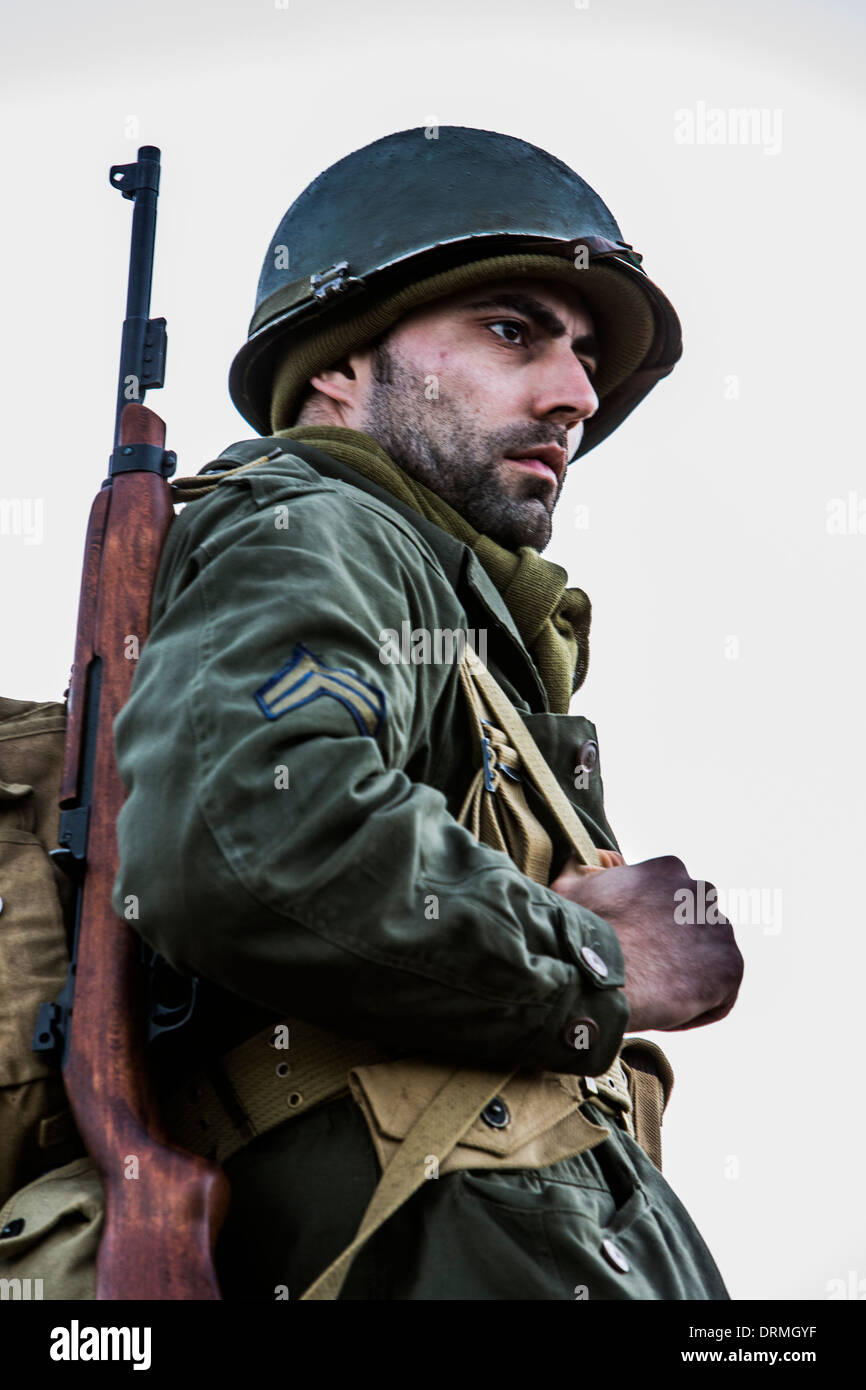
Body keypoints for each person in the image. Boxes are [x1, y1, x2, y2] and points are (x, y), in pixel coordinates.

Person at [111, 126, 744, 1300]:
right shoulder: (319, 526)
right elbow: (250, 830)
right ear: (337, 365)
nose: (575, 395)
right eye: (513, 331)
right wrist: (600, 956)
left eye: (586, 358)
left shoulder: (454, 616)